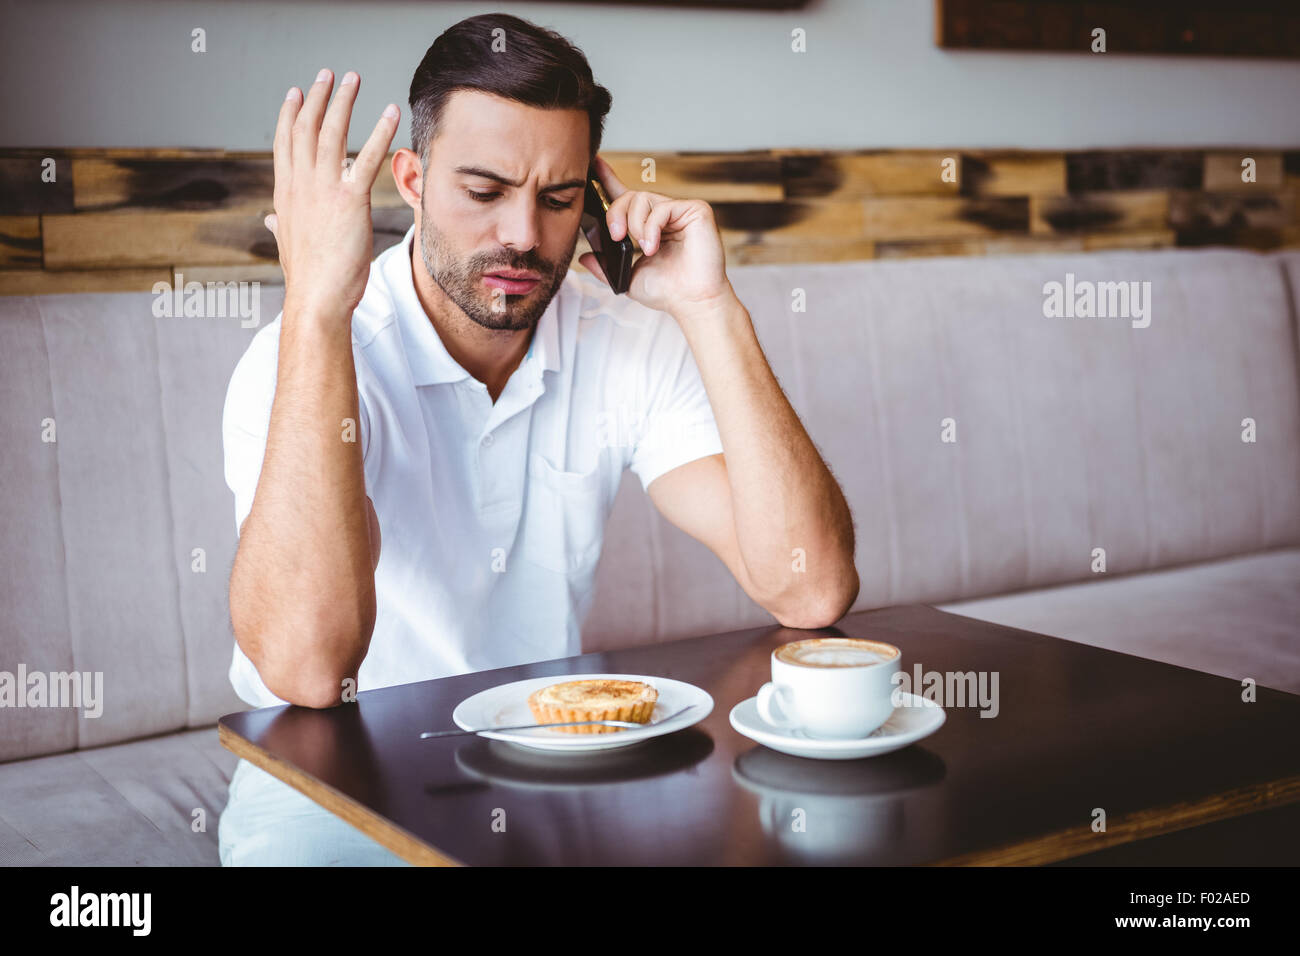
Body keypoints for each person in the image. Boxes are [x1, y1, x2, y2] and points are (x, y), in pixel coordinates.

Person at [218, 12, 859, 866]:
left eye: (557, 199)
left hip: (547, 785)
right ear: (410, 181)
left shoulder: (619, 337)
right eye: (483, 192)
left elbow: (810, 591)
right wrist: (315, 311)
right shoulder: (306, 356)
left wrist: (710, 310)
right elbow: (308, 666)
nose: (523, 234)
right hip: (325, 804)